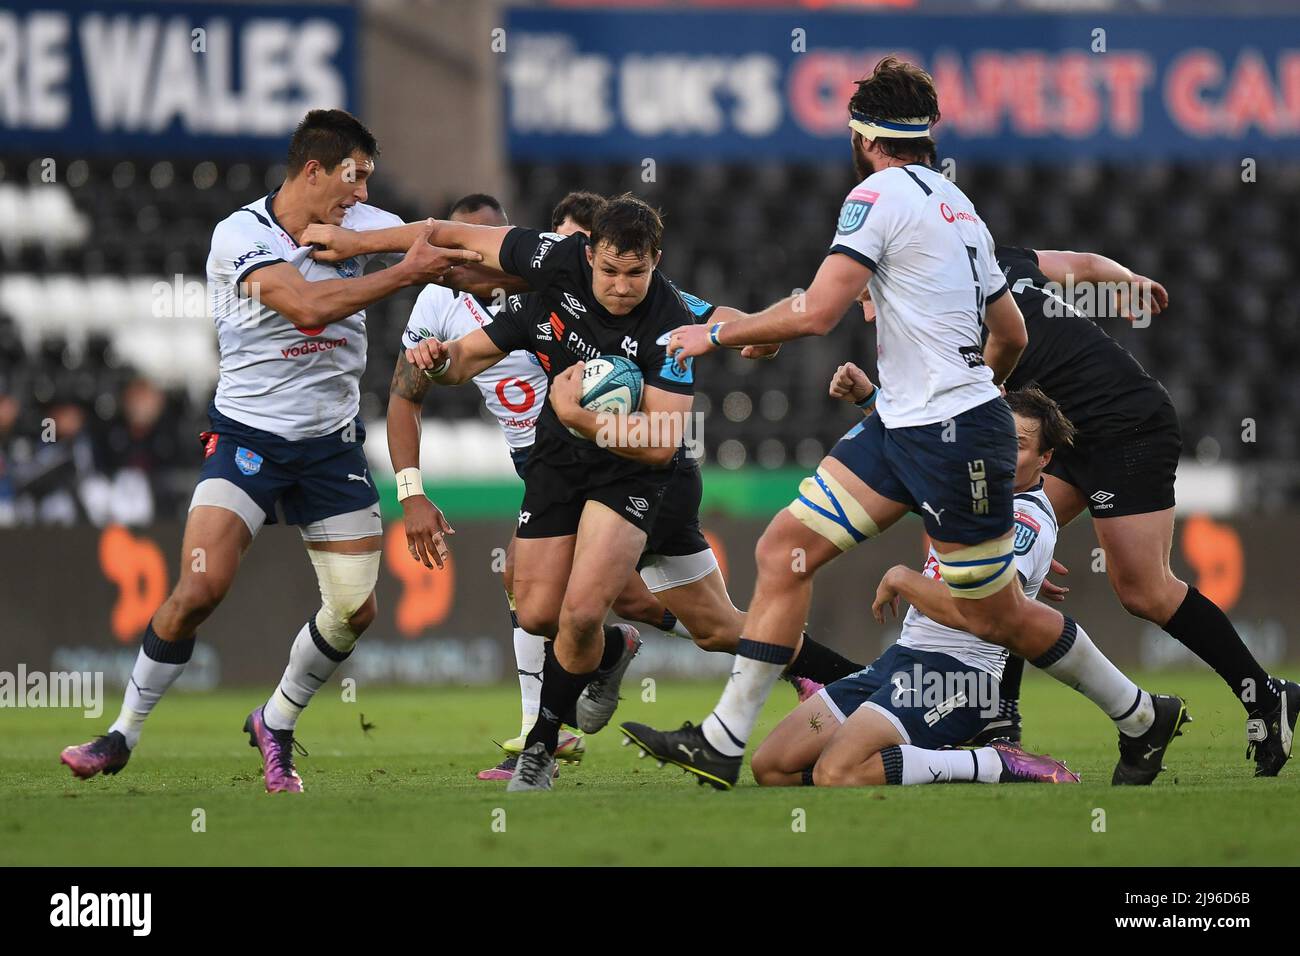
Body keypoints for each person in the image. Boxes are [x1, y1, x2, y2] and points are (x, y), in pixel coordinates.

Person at [622, 56, 1185, 790]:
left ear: (863, 138)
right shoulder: (960, 207)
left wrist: (716, 335)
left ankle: (1141, 715)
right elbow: (1010, 335)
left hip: (947, 431)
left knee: (996, 616)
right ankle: (725, 740)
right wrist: (971, 389)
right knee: (785, 548)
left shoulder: (875, 197)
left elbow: (819, 311)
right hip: (907, 425)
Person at [60, 109, 477, 793]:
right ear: (314, 171)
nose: (364, 195)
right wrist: (408, 273)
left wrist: (533, 265)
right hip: (248, 438)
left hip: (332, 444)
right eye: (355, 178)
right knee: (199, 587)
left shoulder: (361, 227)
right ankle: (121, 733)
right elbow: (309, 307)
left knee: (356, 610)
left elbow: (437, 238)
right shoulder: (238, 236)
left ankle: (275, 721)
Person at [746, 388, 1181, 788]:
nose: (1005, 453)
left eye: (1021, 446)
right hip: (901, 661)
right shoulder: (980, 492)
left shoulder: (1024, 519)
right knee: (772, 767)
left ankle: (994, 763)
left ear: (1045, 458)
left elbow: (980, 615)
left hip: (957, 675)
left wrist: (902, 577)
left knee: (837, 772)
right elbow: (913, 449)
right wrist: (867, 398)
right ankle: (905, 755)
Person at [988, 246, 1297, 776]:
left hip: (1126, 426)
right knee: (1005, 560)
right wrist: (1128, 281)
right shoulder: (983, 265)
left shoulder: (977, 275)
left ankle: (1267, 697)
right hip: (1065, 438)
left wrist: (1128, 282)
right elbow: (1080, 265)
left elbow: (1079, 265)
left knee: (1143, 592)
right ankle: (1000, 729)